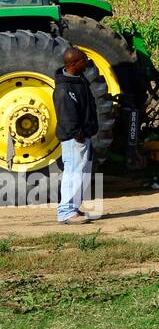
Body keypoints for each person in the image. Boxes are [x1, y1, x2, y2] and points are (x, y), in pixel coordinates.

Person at [53, 47, 98, 224]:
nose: (87, 62)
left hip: (82, 135)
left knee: (80, 172)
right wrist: (77, 134)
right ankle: (66, 211)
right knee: (73, 172)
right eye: (83, 60)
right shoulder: (65, 89)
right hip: (74, 138)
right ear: (73, 64)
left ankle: (73, 208)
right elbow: (66, 116)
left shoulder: (78, 80)